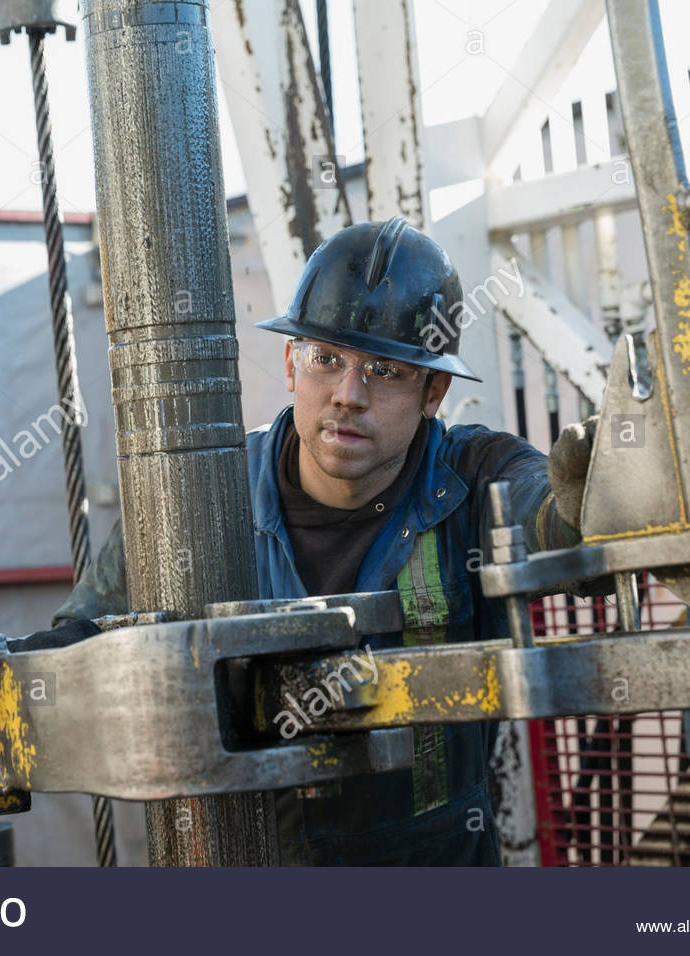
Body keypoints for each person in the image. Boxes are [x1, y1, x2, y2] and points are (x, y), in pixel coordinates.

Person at [52, 217, 591, 865]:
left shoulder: (477, 479)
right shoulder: (197, 496)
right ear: (290, 362)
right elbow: (73, 652)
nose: (348, 395)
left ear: (434, 391)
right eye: (326, 360)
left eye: (386, 371)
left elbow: (553, 525)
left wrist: (590, 501)